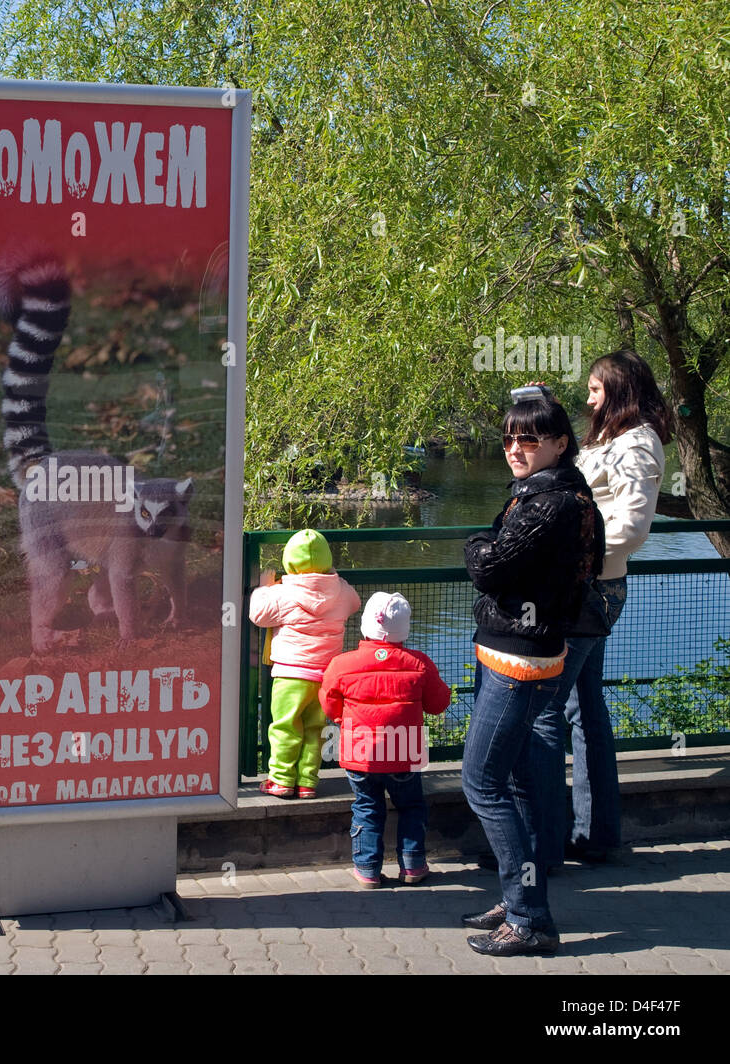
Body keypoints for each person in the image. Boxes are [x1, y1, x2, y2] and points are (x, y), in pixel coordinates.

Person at [461, 396, 604, 956]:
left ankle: (528, 920)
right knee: (516, 783)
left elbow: (487, 566)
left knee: (481, 783)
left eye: (530, 439)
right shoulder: (550, 494)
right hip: (526, 654)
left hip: (519, 662)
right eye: (509, 440)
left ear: (560, 443)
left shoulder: (551, 504)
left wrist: (475, 544)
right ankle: (517, 895)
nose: (516, 449)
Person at [538, 353, 670, 864]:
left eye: (595, 390)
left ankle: (542, 846)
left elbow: (633, 529)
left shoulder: (637, 444)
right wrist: (546, 411)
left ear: (616, 390)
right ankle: (595, 835)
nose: (589, 399)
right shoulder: (609, 440)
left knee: (543, 710)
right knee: (584, 710)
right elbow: (572, 477)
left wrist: (569, 547)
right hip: (588, 590)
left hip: (588, 593)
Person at [320, 591, 451, 888]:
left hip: (360, 752)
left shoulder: (343, 664)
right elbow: (437, 703)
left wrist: (343, 719)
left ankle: (367, 869)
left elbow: (328, 700)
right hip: (404, 751)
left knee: (367, 806)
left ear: (366, 625)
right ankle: (413, 865)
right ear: (404, 629)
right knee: (411, 806)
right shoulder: (418, 663)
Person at [249, 529, 361, 799]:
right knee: (315, 729)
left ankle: (282, 779)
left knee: (285, 726)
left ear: (290, 561)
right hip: (325, 676)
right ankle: (307, 782)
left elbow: (258, 615)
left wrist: (264, 587)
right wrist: (333, 580)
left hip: (290, 674)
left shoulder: (283, 593)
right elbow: (355, 603)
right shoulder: (342, 591)